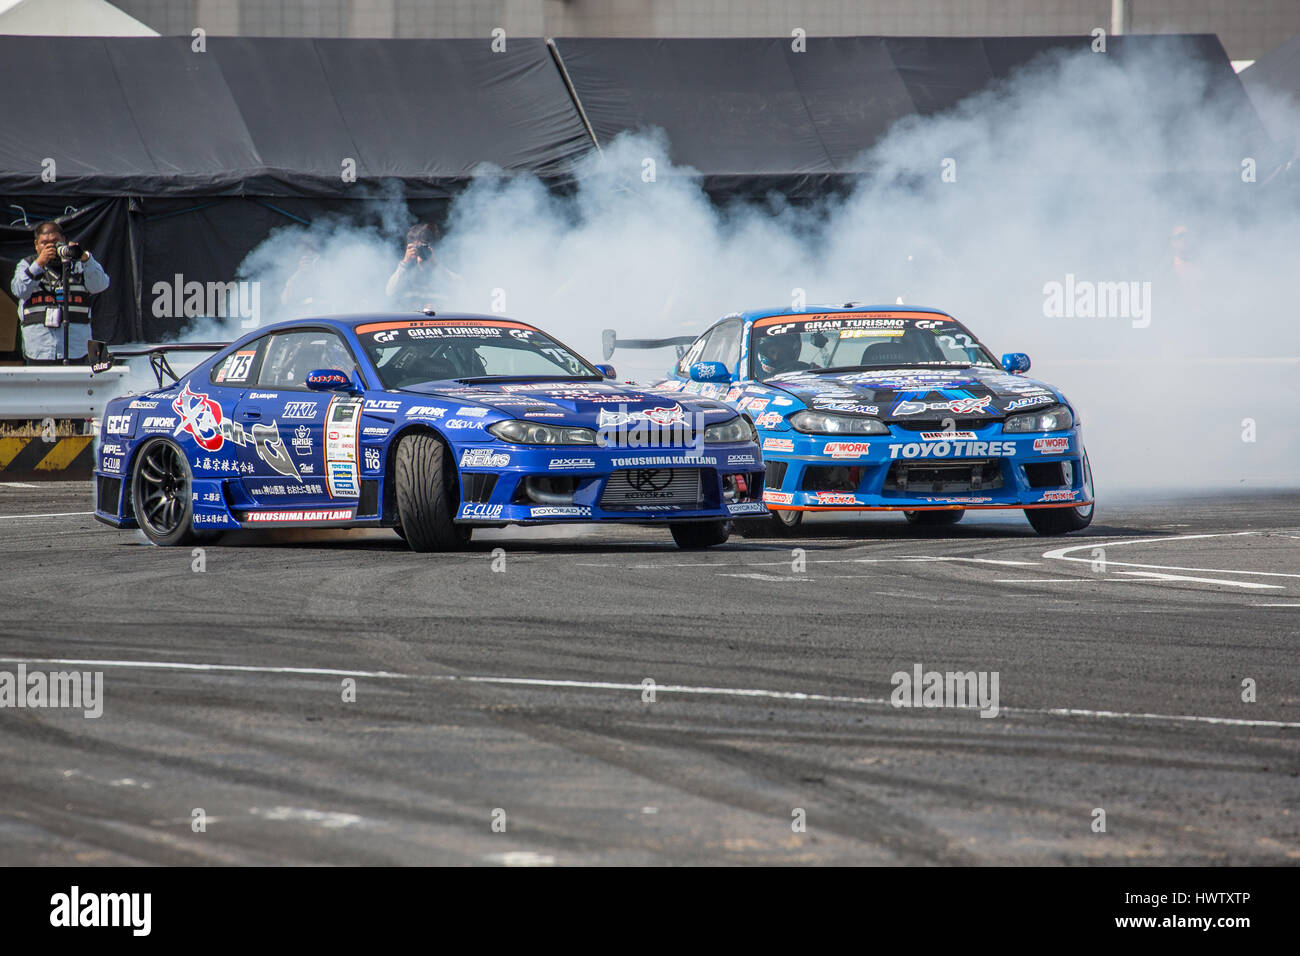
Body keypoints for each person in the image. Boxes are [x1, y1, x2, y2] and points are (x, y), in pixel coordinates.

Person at [10, 221, 109, 363]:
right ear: (36, 244)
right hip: (40, 349)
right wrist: (39, 264)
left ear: (63, 240)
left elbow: (100, 285)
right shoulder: (27, 264)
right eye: (45, 243)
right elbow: (19, 290)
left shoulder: (80, 265)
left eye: (55, 241)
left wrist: (86, 258)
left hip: (76, 349)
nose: (50, 246)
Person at [384, 222, 457, 310]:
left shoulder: (444, 276)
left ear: (434, 249)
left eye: (425, 248)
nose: (422, 252)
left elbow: (460, 290)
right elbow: (390, 292)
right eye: (418, 248)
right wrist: (405, 263)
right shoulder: (404, 276)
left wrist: (436, 265)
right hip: (410, 322)